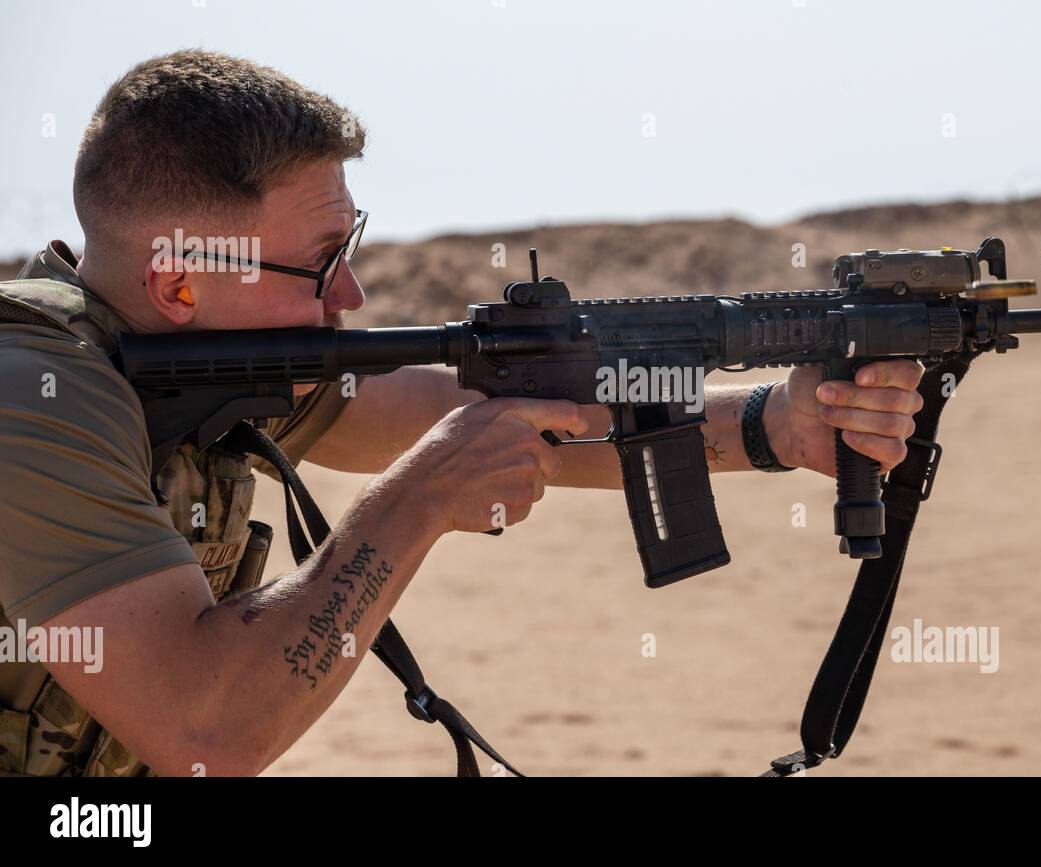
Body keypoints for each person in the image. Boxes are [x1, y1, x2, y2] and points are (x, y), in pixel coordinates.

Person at [0, 49, 924, 776]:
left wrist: (774, 423)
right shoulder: (33, 399)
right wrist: (423, 496)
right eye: (322, 262)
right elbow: (208, 732)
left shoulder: (202, 357)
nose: (353, 292)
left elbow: (479, 409)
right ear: (179, 285)